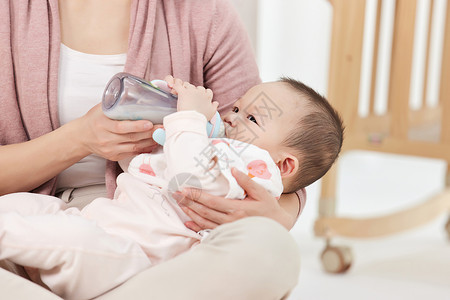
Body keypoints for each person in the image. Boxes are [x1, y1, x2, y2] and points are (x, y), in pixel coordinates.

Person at [0, 1, 304, 299]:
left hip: (147, 247)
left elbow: (278, 145)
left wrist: (274, 216)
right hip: (56, 220)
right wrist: (80, 139)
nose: (231, 116)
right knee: (31, 225)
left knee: (271, 248)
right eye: (234, 110)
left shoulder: (205, 14)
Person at [0, 75, 344, 300]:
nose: (233, 117)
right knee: (27, 208)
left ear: (283, 166)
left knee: (66, 239)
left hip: (126, 255)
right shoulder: (214, 146)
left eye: (252, 119)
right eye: (236, 107)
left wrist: (188, 120)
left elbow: (189, 177)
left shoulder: (252, 169)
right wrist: (150, 129)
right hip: (93, 219)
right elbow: (142, 169)